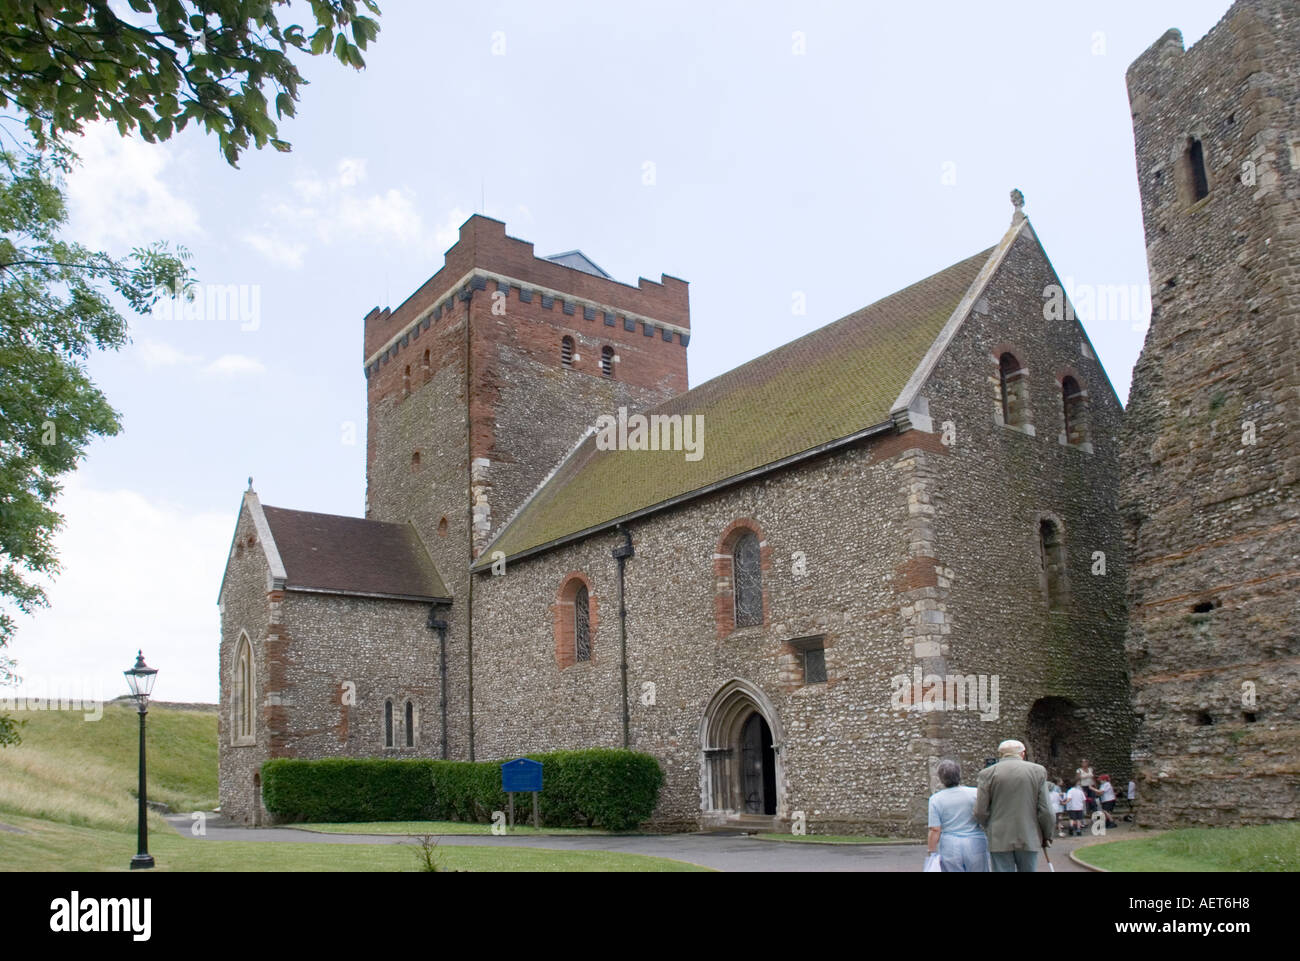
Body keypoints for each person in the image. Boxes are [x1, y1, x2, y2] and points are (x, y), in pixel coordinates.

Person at [973, 739, 1055, 872]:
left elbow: (980, 811)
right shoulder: (1037, 771)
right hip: (1029, 834)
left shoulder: (987, 774)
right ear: (1022, 753)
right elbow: (1046, 811)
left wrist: (990, 826)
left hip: (999, 837)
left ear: (1001, 755)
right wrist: (1047, 834)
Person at [927, 759, 989, 872]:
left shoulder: (935, 799)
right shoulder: (975, 793)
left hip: (950, 843)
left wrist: (931, 851)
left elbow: (935, 829)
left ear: (941, 778)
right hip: (975, 840)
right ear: (959, 774)